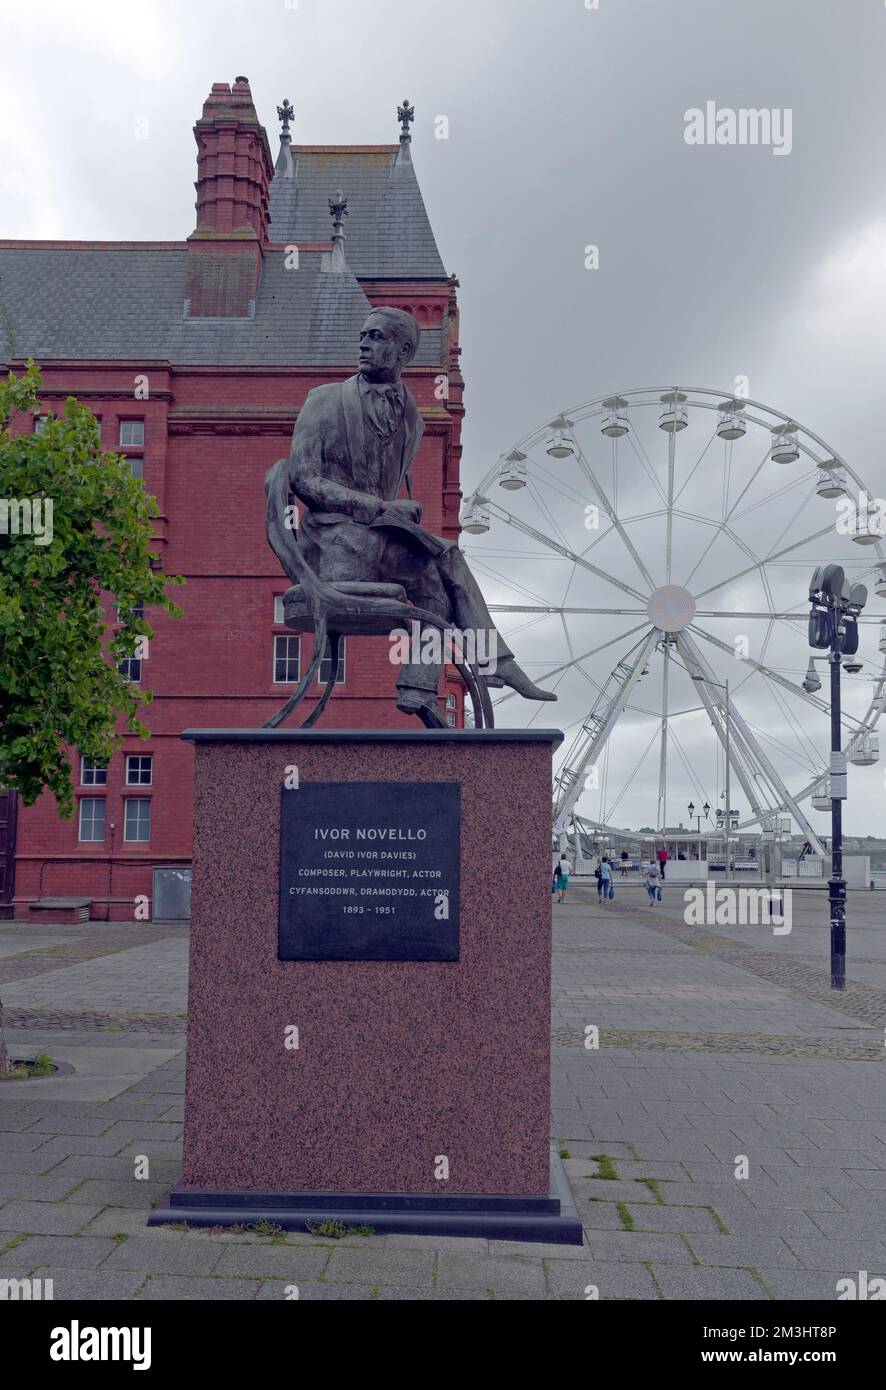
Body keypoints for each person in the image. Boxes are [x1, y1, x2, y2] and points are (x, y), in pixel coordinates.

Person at [268, 308, 557, 726]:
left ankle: (419, 689)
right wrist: (379, 508)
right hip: (333, 544)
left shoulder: (412, 420)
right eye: (363, 336)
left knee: (436, 584)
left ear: (403, 351)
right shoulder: (324, 400)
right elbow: (303, 478)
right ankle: (495, 662)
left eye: (376, 337)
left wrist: (394, 513)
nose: (363, 344)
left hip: (379, 540)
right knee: (446, 557)